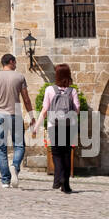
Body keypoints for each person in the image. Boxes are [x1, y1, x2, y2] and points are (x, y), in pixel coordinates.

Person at [0, 53, 33, 188]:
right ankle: (15, 165)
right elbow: (26, 99)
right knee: (19, 145)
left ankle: (5, 180)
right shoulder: (19, 77)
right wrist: (32, 116)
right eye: (15, 62)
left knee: (1, 148)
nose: (16, 64)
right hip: (15, 115)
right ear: (11, 62)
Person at [40, 63, 78, 194]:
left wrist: (37, 125)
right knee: (66, 154)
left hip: (53, 125)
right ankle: (65, 184)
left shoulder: (50, 90)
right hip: (68, 125)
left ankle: (58, 178)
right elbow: (77, 110)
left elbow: (45, 109)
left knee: (56, 154)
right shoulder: (72, 91)